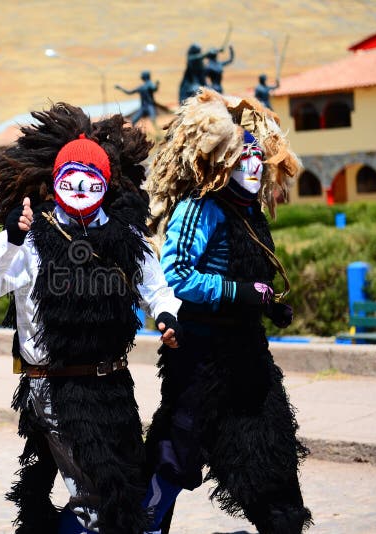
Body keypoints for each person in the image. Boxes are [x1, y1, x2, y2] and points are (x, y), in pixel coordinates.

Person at [0, 102, 182, 534]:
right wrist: (9, 241)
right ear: (58, 180)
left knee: (123, 491)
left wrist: (166, 313)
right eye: (71, 177)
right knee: (96, 501)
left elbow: (154, 285)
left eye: (90, 177)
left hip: (114, 385)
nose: (80, 185)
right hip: (56, 388)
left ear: (105, 182)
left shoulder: (124, 234)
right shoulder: (32, 236)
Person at [142, 88, 312, 534]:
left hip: (249, 358)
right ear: (221, 163)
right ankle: (145, 525)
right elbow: (176, 272)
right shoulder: (201, 208)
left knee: (271, 451)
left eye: (258, 158)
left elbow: (251, 277)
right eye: (242, 159)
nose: (253, 166)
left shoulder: (250, 212)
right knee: (175, 456)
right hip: (202, 361)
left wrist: (268, 303)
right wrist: (239, 293)